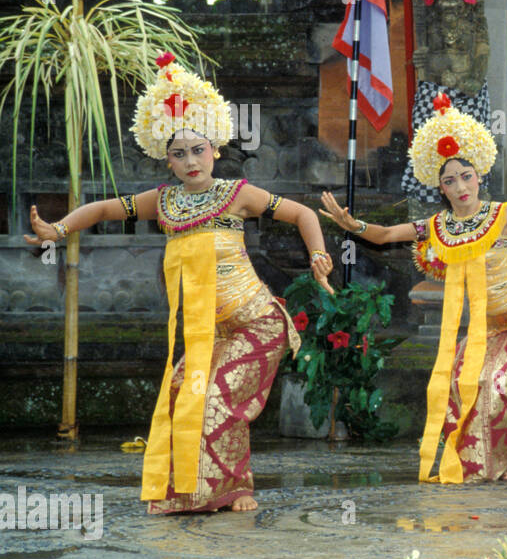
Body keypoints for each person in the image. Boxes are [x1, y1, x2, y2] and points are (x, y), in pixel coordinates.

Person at [25, 52, 334, 513]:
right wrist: (59, 229)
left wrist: (319, 256)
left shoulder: (239, 195)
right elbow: (107, 209)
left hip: (258, 326)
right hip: (209, 334)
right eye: (179, 153)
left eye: (198, 150)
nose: (191, 160)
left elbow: (303, 213)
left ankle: (235, 490)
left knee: (216, 398)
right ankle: (183, 492)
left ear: (215, 150)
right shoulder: (163, 202)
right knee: (178, 395)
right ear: (166, 161)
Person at [319, 92, 507, 483]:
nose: (461, 187)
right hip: (483, 332)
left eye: (466, 177)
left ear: (479, 176)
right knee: (456, 386)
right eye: (450, 181)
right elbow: (387, 233)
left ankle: (504, 462)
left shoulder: (501, 214)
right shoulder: (438, 227)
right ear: (440, 188)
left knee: (494, 382)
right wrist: (352, 225)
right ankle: (475, 464)